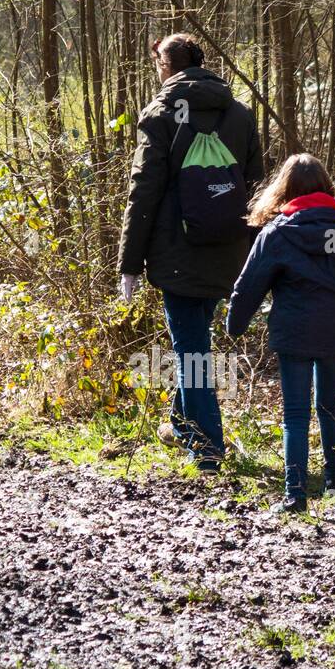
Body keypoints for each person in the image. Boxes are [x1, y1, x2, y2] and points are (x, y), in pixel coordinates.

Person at [117, 33, 265, 472]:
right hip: (229, 250)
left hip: (177, 253)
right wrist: (256, 256)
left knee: (192, 354)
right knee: (196, 341)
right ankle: (183, 425)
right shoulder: (239, 114)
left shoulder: (160, 114)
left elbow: (143, 191)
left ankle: (207, 448)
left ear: (165, 67)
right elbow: (257, 187)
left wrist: (129, 263)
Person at [226, 154, 335, 513]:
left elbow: (249, 285)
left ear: (286, 189)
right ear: (327, 188)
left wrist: (234, 324)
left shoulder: (277, 233)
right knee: (330, 408)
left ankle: (295, 493)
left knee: (295, 413)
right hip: (334, 332)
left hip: (294, 332)